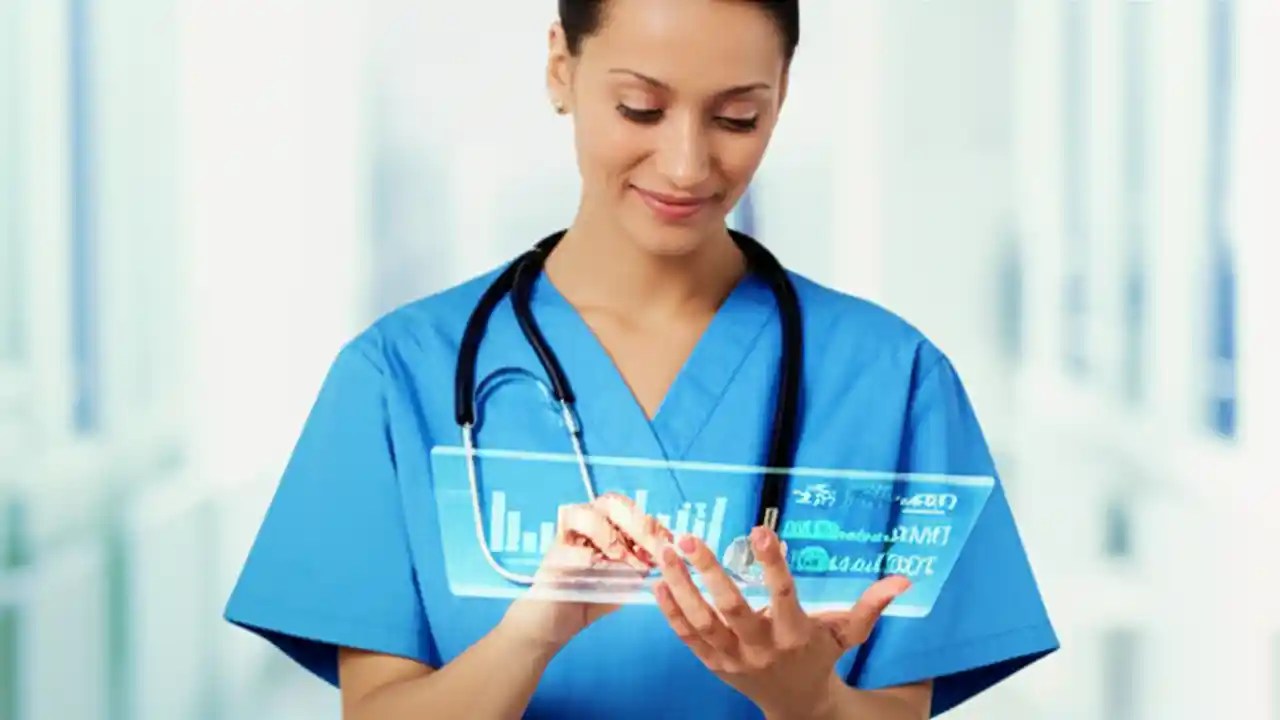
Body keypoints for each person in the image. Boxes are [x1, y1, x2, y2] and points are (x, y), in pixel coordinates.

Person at [223, 0, 1059, 718]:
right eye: (639, 109)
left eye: (737, 117)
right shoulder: (398, 379)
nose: (689, 164)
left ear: (783, 95)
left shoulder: (892, 381)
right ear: (561, 67)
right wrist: (533, 631)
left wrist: (808, 700)